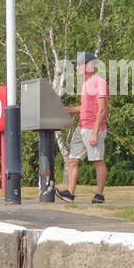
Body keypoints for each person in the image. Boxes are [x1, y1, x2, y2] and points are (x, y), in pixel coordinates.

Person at [56, 51, 108, 203]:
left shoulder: (100, 82)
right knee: (73, 160)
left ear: (89, 65)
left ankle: (100, 195)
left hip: (93, 128)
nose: (77, 67)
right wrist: (66, 109)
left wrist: (95, 133)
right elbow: (84, 107)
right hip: (81, 127)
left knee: (97, 161)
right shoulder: (85, 84)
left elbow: (102, 109)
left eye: (79, 65)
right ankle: (70, 194)